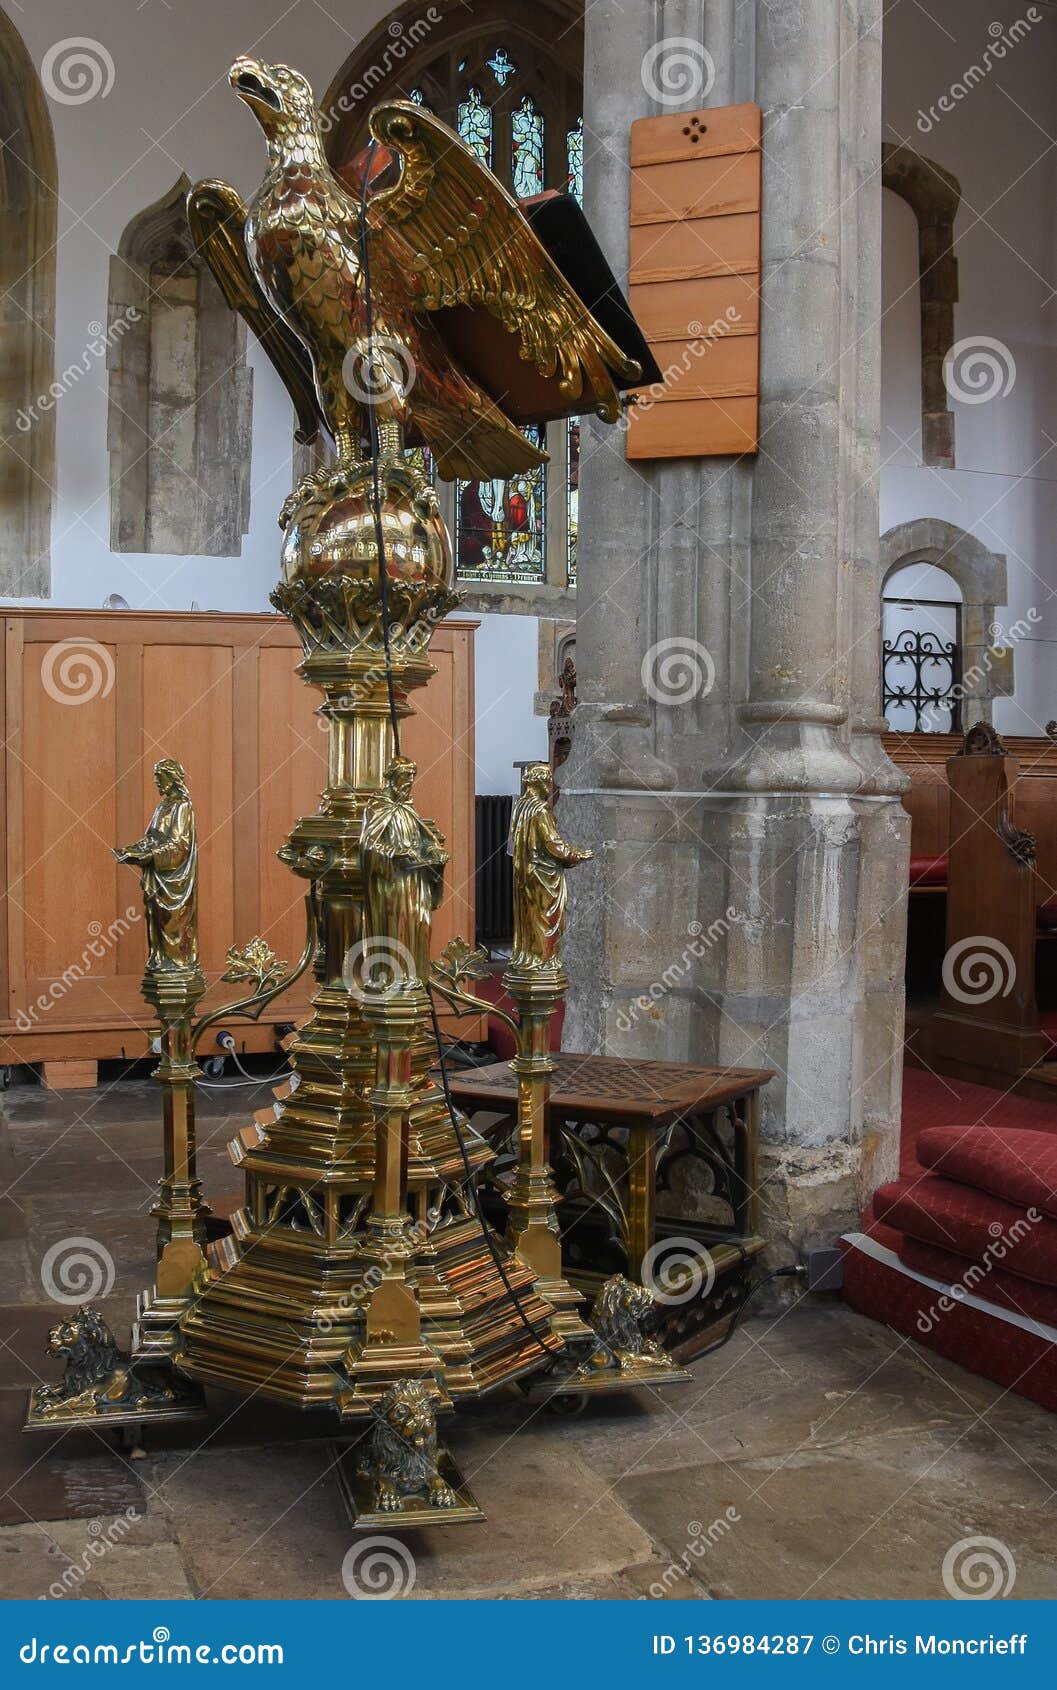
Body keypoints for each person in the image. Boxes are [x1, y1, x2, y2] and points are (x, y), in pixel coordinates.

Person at [359, 755, 449, 990]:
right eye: (405, 776)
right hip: (392, 881)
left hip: (415, 880)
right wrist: (393, 854)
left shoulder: (408, 808)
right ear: (391, 778)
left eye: (412, 777)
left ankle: (414, 976)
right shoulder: (378, 806)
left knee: (418, 924)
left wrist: (434, 852)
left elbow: (424, 840)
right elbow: (369, 845)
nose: (410, 781)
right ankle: (391, 977)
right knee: (396, 926)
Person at [113, 759, 199, 972]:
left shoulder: (182, 806)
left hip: (173, 881)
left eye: (160, 778)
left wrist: (151, 856)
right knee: (155, 921)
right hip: (158, 878)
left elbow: (180, 844)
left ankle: (177, 966)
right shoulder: (163, 805)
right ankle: (160, 961)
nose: (156, 782)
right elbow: (153, 837)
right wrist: (133, 850)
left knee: (173, 925)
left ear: (171, 778)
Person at [510, 762, 592, 972]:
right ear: (538, 782)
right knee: (547, 921)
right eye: (546, 780)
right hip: (544, 875)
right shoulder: (540, 810)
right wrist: (577, 855)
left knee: (531, 919)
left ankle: (529, 956)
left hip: (526, 873)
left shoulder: (521, 806)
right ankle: (544, 962)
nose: (549, 785)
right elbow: (553, 845)